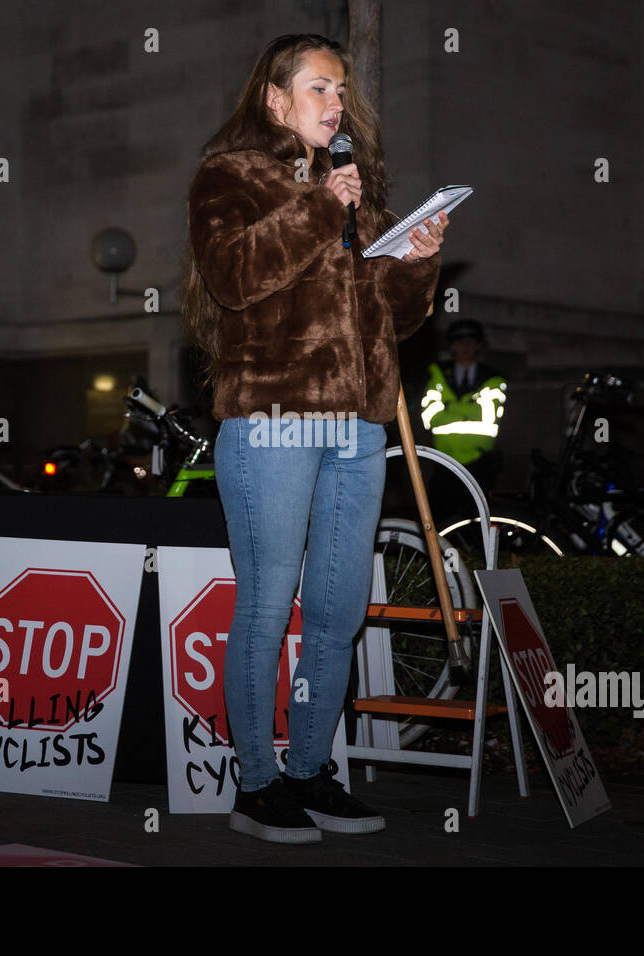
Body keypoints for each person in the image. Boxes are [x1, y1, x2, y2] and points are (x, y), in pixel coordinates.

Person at [183, 34, 446, 844]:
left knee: (336, 614)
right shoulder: (231, 177)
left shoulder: (353, 188)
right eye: (319, 88)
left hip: (357, 429)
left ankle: (308, 770)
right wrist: (319, 204)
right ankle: (256, 783)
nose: (336, 103)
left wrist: (415, 262)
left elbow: (391, 320)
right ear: (275, 99)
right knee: (267, 607)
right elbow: (233, 278)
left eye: (341, 91)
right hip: (273, 423)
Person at [420, 318, 508, 513]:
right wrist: (470, 408)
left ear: (479, 345)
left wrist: (450, 407)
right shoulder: (437, 375)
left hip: (480, 463)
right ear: (451, 346)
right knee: (441, 520)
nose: (465, 347)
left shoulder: (493, 378)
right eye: (460, 341)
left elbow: (488, 419)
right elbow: (431, 417)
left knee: (480, 521)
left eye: (471, 341)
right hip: (444, 462)